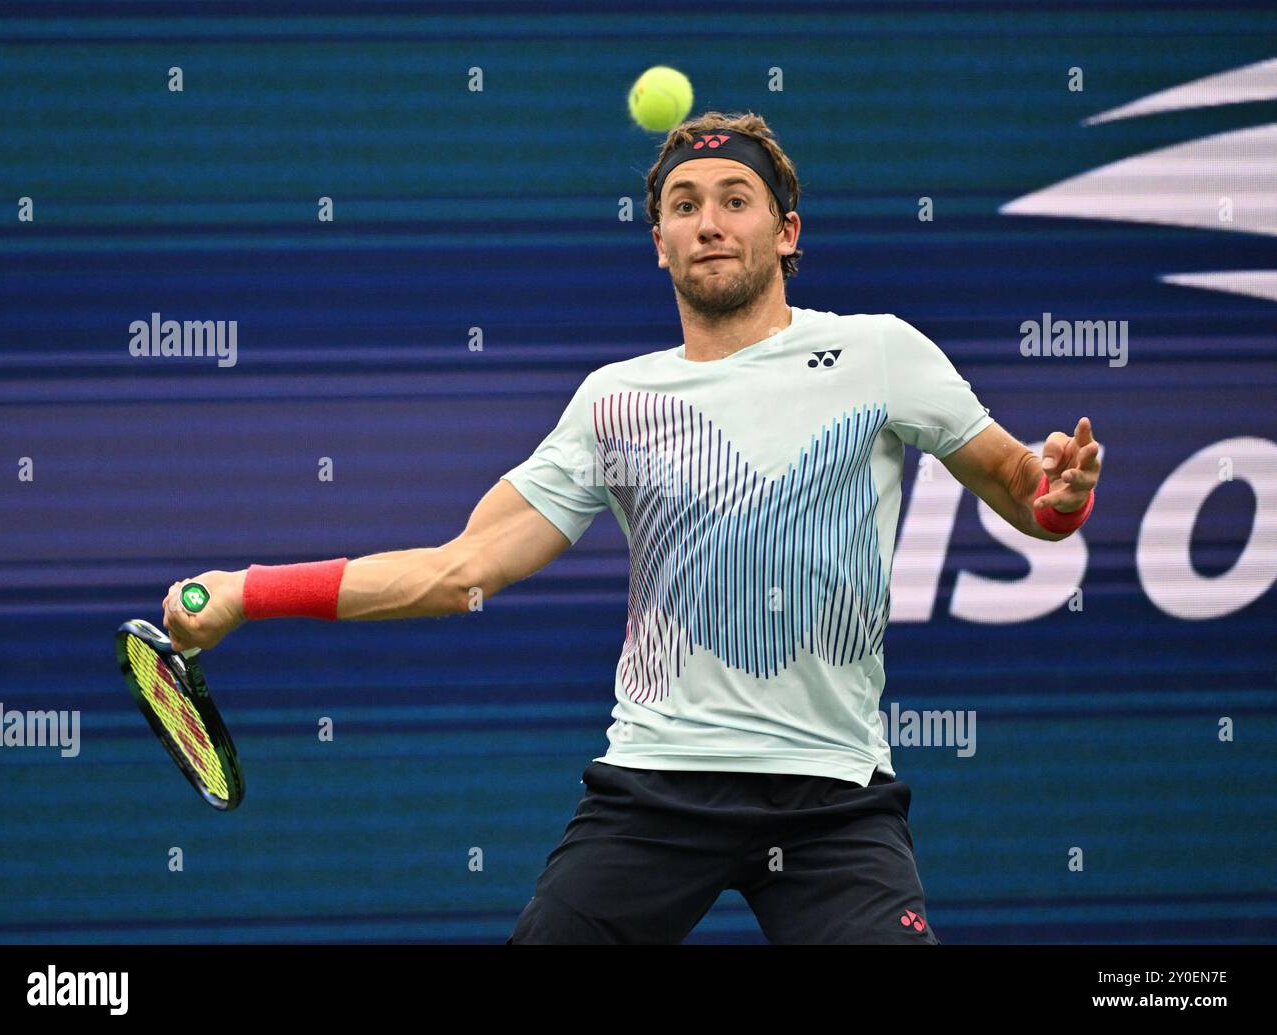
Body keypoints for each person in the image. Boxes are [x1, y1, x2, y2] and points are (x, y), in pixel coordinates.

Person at [161, 111, 1101, 945]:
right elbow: (460, 569)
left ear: (787, 231)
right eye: (685, 204)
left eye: (737, 199)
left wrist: (1059, 497)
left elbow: (1025, 490)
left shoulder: (880, 352)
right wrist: (251, 591)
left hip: (833, 798)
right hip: (656, 787)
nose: (710, 220)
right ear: (659, 242)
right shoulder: (614, 401)